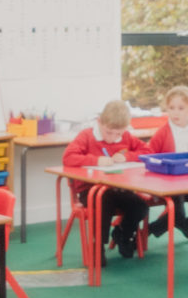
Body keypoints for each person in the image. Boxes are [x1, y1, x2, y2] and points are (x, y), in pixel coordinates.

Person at [63, 99, 153, 260]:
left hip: (119, 188)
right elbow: (68, 157)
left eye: (118, 133)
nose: (113, 138)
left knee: (140, 207)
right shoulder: (87, 136)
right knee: (103, 202)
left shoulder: (125, 137)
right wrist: (95, 160)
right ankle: (98, 246)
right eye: (109, 132)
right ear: (99, 122)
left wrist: (126, 156)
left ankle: (122, 234)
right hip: (90, 190)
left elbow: (147, 151)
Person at [145, 85, 188, 242]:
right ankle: (173, 226)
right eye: (171, 108)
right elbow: (149, 155)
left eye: (181, 108)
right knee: (176, 213)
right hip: (168, 182)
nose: (175, 112)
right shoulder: (163, 132)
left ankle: (155, 229)